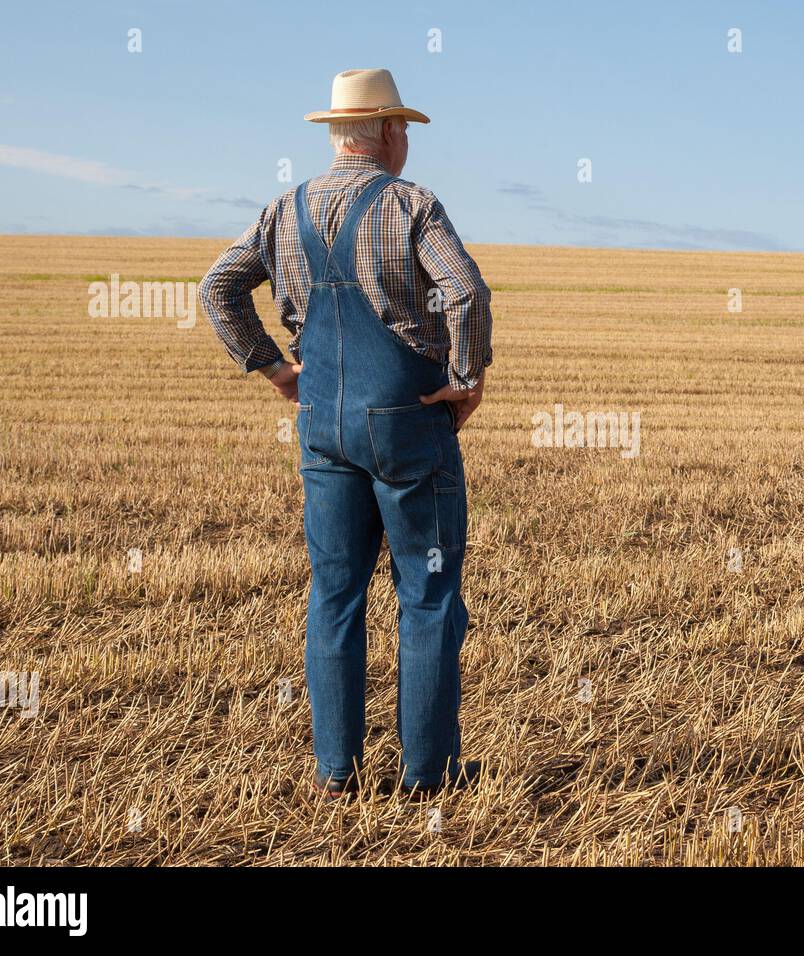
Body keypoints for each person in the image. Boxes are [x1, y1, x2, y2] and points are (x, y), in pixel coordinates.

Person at [199, 68, 492, 799]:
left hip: (322, 426)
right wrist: (465, 376)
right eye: (404, 129)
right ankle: (429, 776)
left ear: (336, 132)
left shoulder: (282, 209)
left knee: (335, 595)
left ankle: (337, 774)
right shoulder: (411, 206)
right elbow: (466, 292)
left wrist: (275, 371)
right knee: (426, 596)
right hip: (405, 424)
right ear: (389, 130)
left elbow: (217, 288)